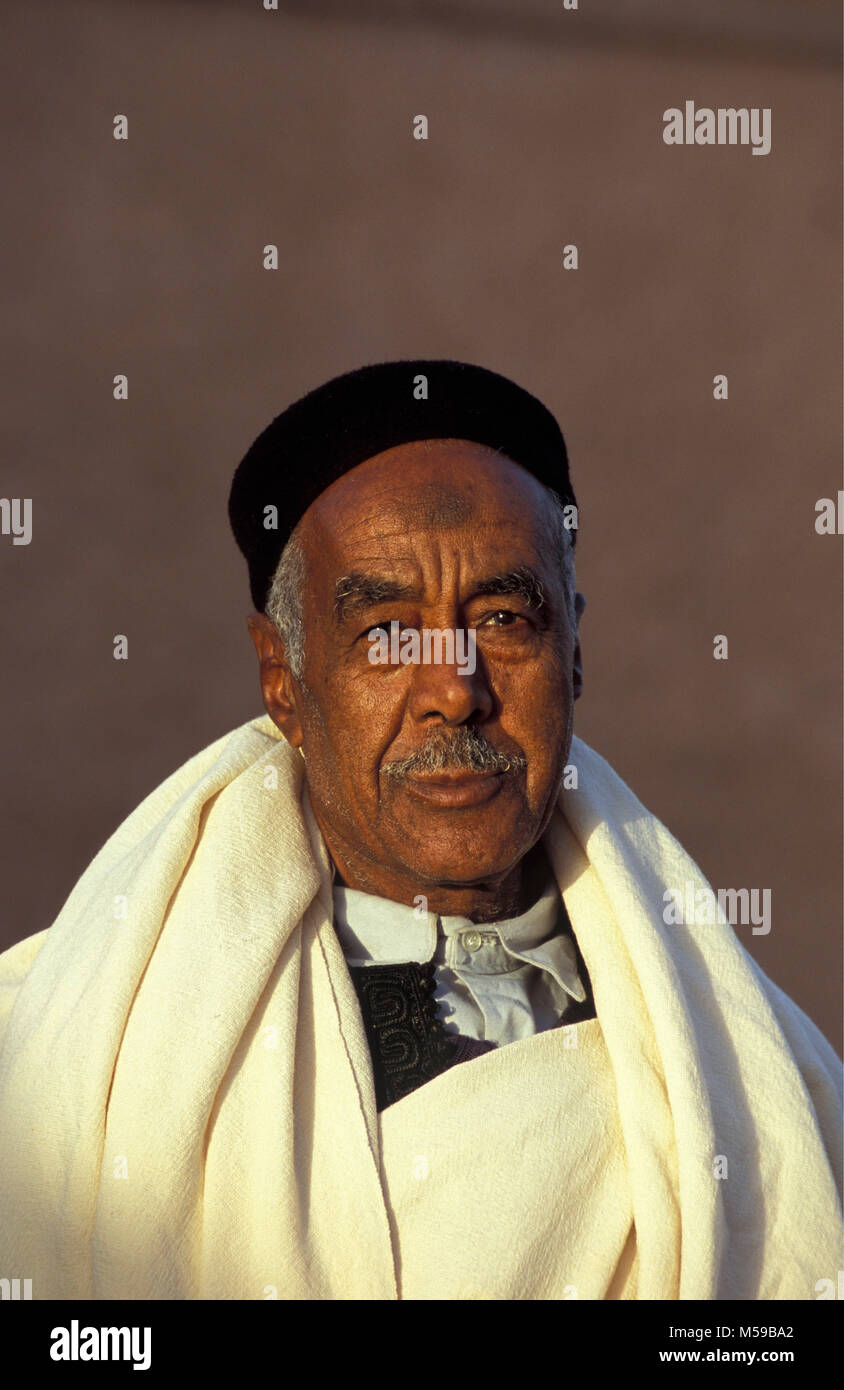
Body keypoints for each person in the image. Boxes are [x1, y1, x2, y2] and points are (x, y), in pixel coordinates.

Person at [0, 360, 840, 1301]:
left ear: (574, 654)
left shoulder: (765, 1089)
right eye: (389, 633)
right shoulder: (55, 1056)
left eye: (505, 619)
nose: (454, 690)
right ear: (283, 678)